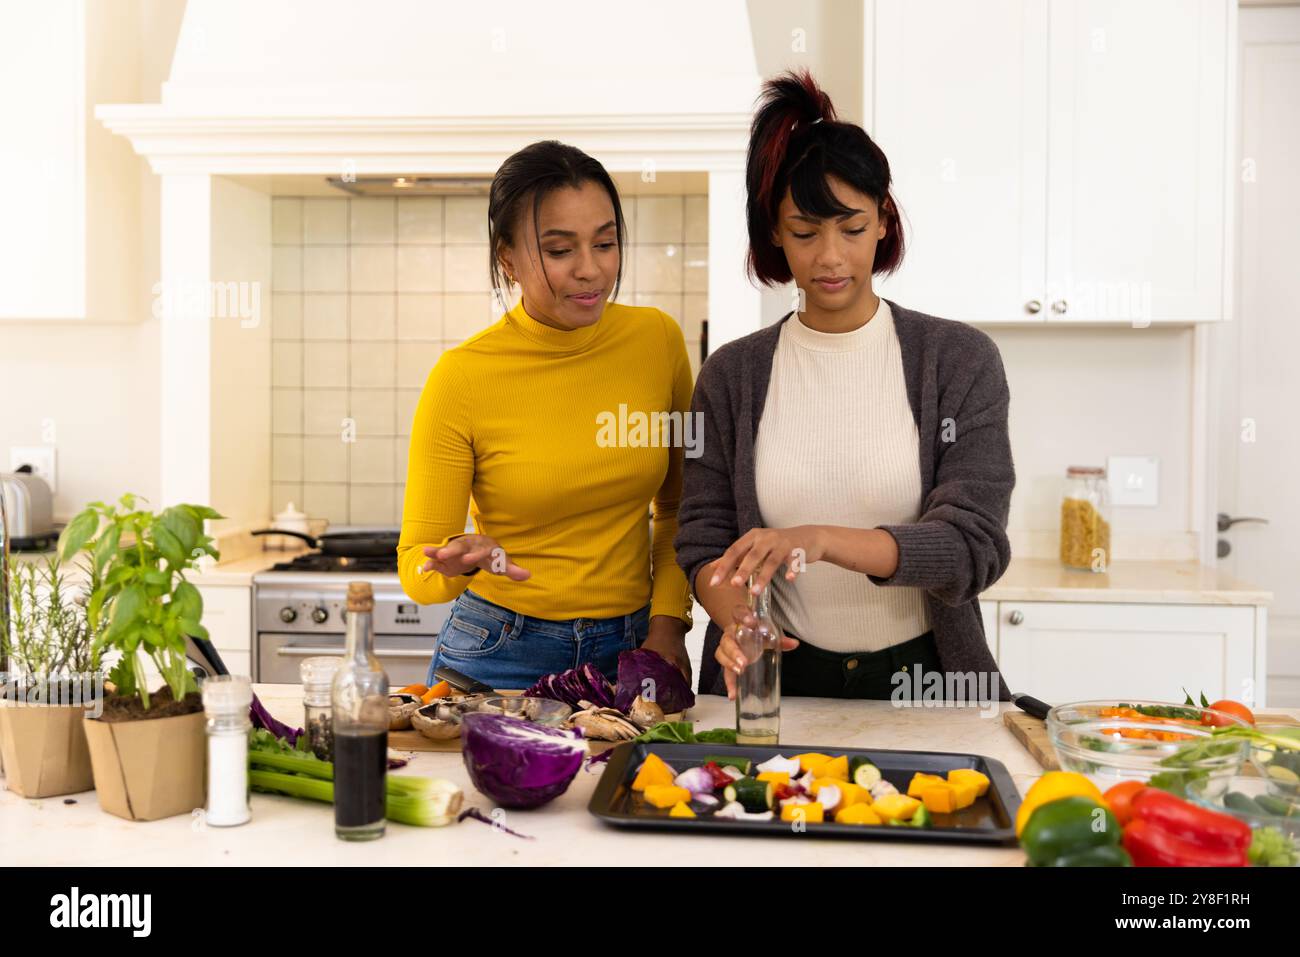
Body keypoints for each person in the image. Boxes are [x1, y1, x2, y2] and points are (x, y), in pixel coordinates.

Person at [676, 71, 1016, 703]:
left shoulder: (960, 361)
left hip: (929, 678)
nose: (830, 256)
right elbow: (703, 539)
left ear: (884, 222)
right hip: (780, 678)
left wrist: (822, 539)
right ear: (775, 233)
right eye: (805, 232)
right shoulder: (731, 376)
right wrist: (738, 621)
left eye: (852, 229)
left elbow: (972, 546)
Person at [397, 140, 694, 691]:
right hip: (497, 653)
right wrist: (455, 562)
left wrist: (669, 625)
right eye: (560, 250)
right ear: (507, 258)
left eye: (605, 243)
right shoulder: (462, 376)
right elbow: (417, 563)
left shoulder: (657, 341)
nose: (590, 270)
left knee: (637, 782)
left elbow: (678, 507)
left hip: (631, 650)